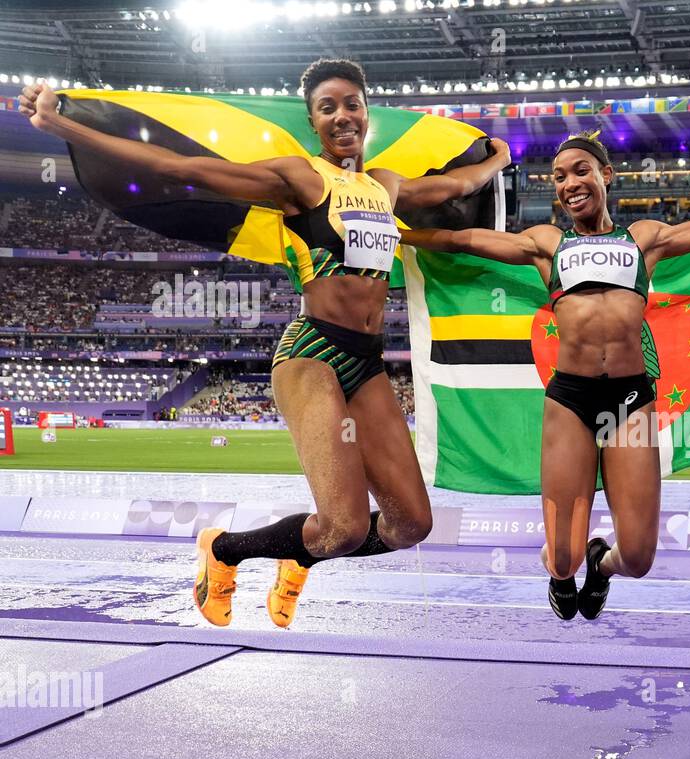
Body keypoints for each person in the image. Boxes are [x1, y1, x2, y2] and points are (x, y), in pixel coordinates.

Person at [20, 59, 511, 629]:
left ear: (366, 113)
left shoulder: (386, 186)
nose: (342, 116)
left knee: (410, 527)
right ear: (313, 121)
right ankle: (222, 551)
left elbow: (455, 185)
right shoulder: (299, 179)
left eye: (351, 103)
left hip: (368, 364)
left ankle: (299, 556)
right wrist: (62, 127)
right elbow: (181, 167)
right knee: (346, 527)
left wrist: (498, 158)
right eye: (328, 108)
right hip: (313, 354)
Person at [403, 131, 690, 620]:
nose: (570, 183)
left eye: (581, 170)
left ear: (606, 176)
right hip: (569, 400)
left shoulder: (643, 238)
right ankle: (567, 569)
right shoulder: (546, 244)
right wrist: (398, 233)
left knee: (638, 558)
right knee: (559, 558)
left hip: (630, 400)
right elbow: (461, 240)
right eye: (558, 177)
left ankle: (602, 566)